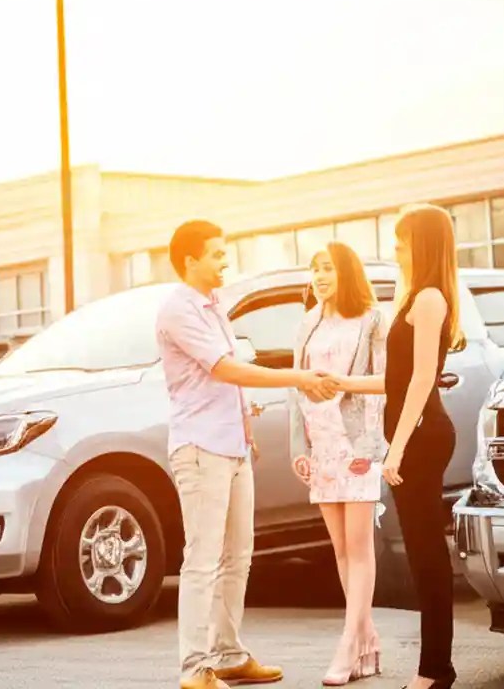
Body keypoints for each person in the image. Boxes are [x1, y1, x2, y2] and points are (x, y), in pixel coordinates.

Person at [156, 219, 340, 689]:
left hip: (231, 446)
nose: (224, 261)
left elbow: (224, 378)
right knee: (202, 559)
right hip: (200, 449)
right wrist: (298, 378)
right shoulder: (178, 309)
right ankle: (195, 669)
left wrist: (245, 428)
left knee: (239, 556)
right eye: (216, 254)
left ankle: (229, 655)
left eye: (225, 252)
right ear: (189, 260)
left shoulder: (213, 306)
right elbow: (224, 369)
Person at [334, 204, 461, 689]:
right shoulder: (412, 299)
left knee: (428, 554)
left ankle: (435, 670)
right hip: (415, 435)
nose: (395, 248)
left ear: (422, 244)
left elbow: (422, 381)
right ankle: (435, 667)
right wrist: (338, 382)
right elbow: (394, 380)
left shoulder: (429, 298)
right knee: (422, 552)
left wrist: (398, 449)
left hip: (424, 438)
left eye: (402, 240)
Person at [287, 242, 386, 686]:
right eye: (314, 269)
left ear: (346, 270)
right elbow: (295, 386)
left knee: (360, 547)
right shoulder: (307, 323)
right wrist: (298, 446)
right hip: (321, 442)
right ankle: (367, 640)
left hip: (358, 444)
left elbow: (384, 385)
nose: (320, 276)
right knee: (341, 550)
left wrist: (371, 447)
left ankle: (349, 644)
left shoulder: (371, 319)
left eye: (327, 267)